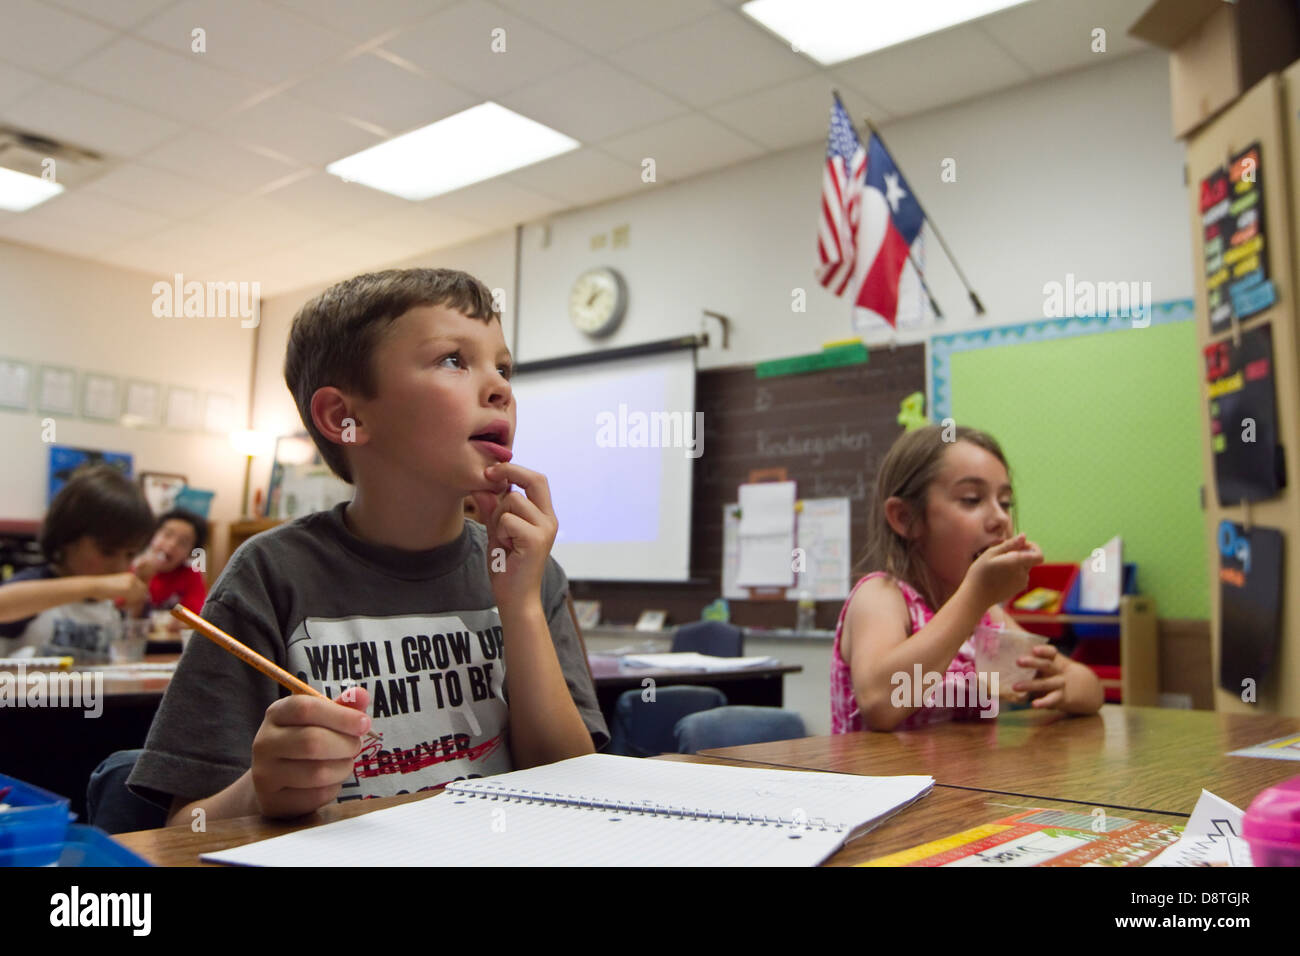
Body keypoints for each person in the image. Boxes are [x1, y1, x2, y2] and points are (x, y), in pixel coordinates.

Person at [130, 268, 607, 823]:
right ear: (344, 417)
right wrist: (259, 793)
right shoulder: (269, 574)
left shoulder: (532, 574)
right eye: (454, 359)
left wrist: (520, 604)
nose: (500, 387)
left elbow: (574, 794)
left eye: (503, 367)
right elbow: (186, 827)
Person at [831, 424, 1103, 732]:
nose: (1001, 518)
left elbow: (1091, 690)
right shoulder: (881, 596)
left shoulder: (988, 614)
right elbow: (880, 703)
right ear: (905, 518)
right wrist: (975, 597)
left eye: (1005, 502)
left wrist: (1063, 685)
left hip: (962, 780)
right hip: (876, 779)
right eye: (972, 499)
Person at [0, 465, 153, 660]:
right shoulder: (37, 585)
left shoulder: (108, 606)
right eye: (107, 551)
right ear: (67, 538)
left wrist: (138, 603)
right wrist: (93, 586)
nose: (120, 567)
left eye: (130, 555)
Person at [133, 508, 208, 616]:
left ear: (189, 553)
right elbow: (129, 616)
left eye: (183, 543)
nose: (172, 544)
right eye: (167, 535)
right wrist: (142, 581)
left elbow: (196, 617)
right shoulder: (134, 569)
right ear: (152, 536)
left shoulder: (192, 576)